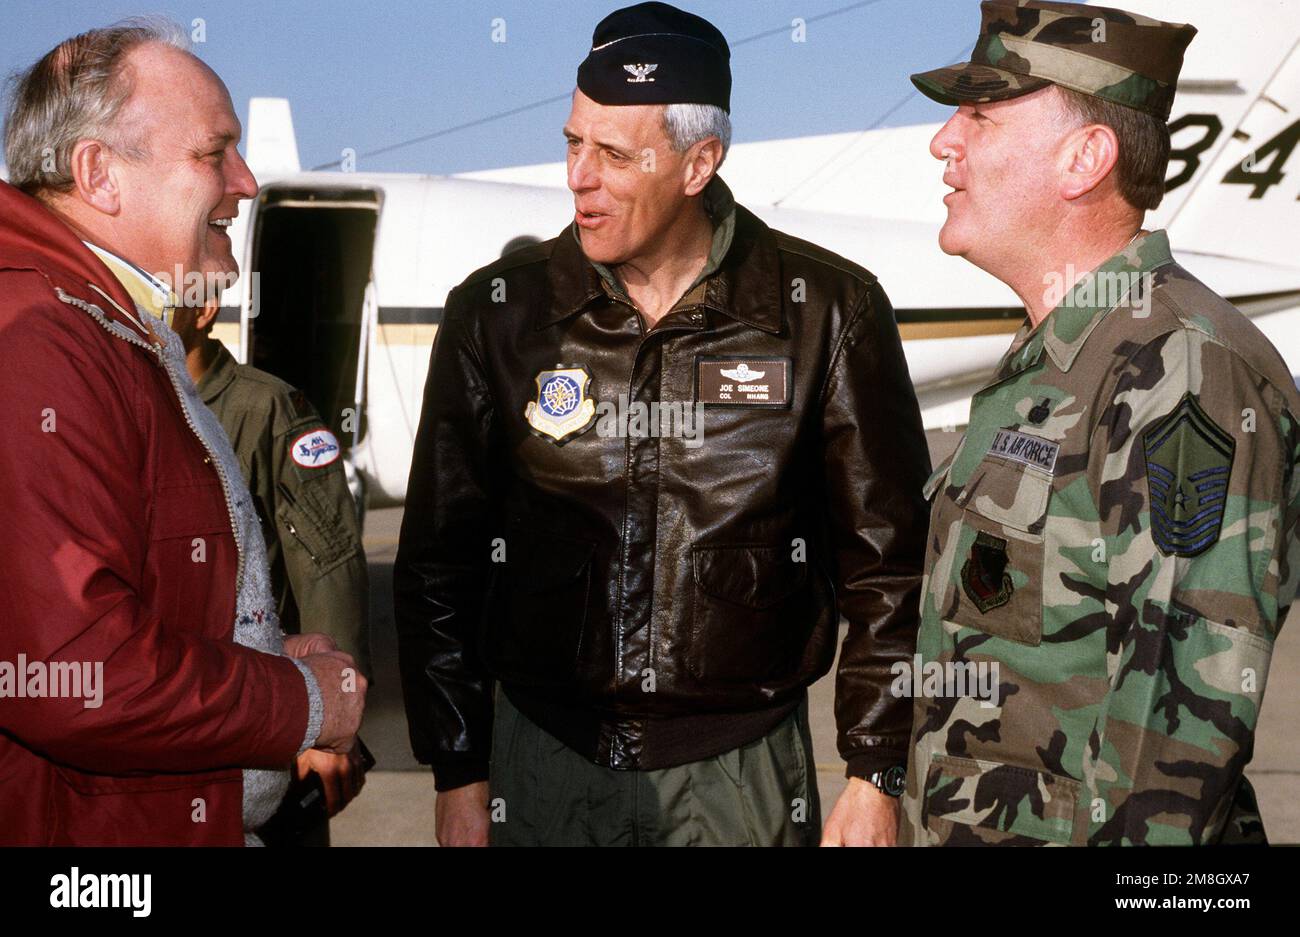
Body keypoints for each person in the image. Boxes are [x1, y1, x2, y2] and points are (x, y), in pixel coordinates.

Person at [395, 1, 930, 847]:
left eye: (612, 153)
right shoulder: (498, 313)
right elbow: (438, 564)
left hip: (739, 776)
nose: (579, 176)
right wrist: (459, 769)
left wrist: (876, 770)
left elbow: (889, 566)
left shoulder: (827, 311)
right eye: (574, 143)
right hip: (542, 759)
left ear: (697, 163)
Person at [898, 0, 1300, 845]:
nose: (944, 141)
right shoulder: (1056, 358)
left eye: (979, 114)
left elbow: (1176, 738)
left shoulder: (1185, 369)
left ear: (1084, 158)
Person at [0, 18, 366, 845]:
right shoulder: (38, 341)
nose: (245, 182)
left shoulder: (114, 330)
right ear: (99, 173)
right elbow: (75, 672)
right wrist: (302, 700)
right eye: (214, 153)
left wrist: (261, 646)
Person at [179, 295, 372, 839]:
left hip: (268, 717)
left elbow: (327, 562)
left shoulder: (265, 408)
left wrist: (328, 722)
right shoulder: (137, 395)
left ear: (202, 310)